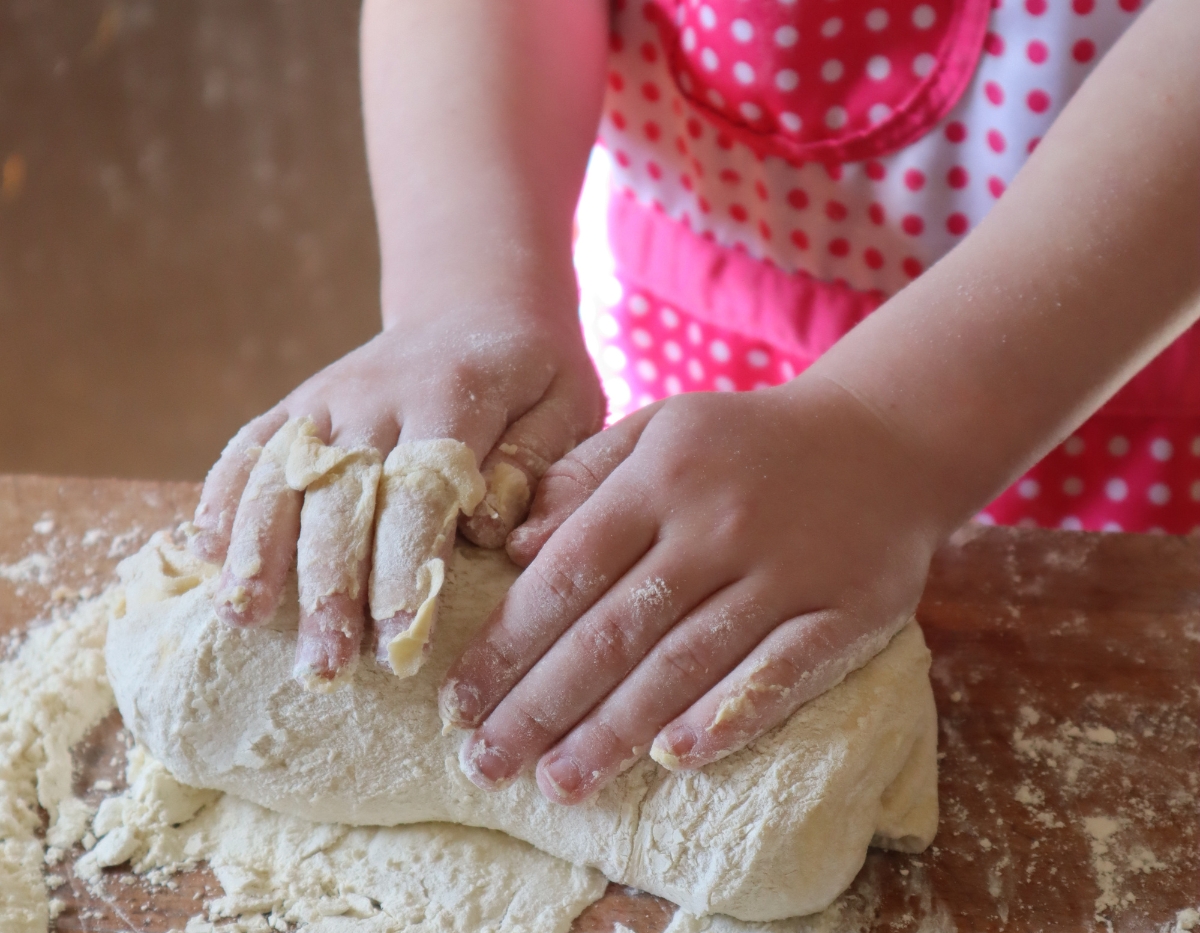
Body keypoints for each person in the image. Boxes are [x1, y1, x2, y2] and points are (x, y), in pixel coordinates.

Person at [188, 0, 1199, 807]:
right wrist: (464, 291)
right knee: (657, 619)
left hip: (1121, 379)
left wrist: (898, 432)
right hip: (704, 357)